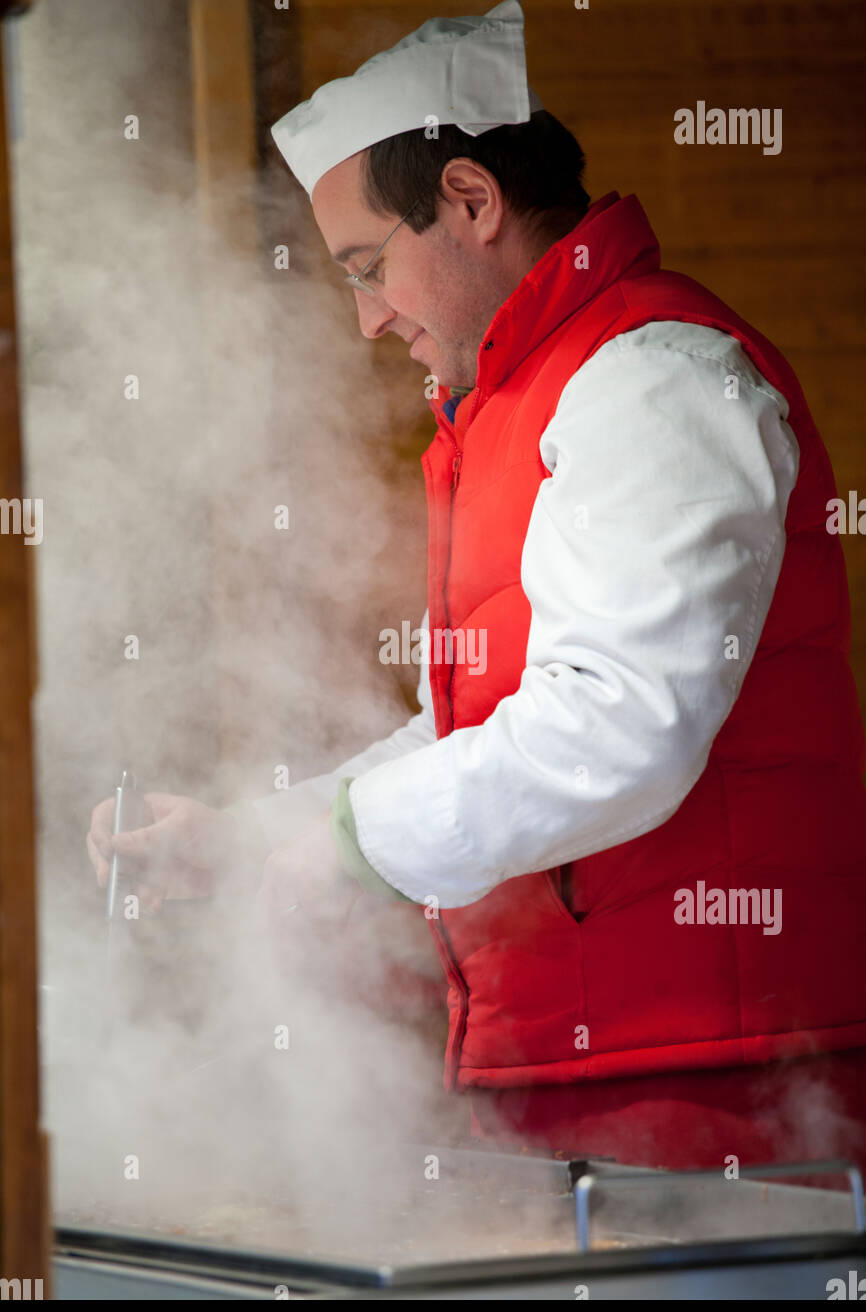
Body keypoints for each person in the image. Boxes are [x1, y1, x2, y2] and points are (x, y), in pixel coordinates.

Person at [88, 1, 866, 1172]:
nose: (363, 321)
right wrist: (250, 843)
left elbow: (614, 727)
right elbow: (486, 730)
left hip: (714, 1088)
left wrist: (349, 846)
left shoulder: (651, 381)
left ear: (468, 198)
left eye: (368, 268)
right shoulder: (527, 395)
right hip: (591, 1077)